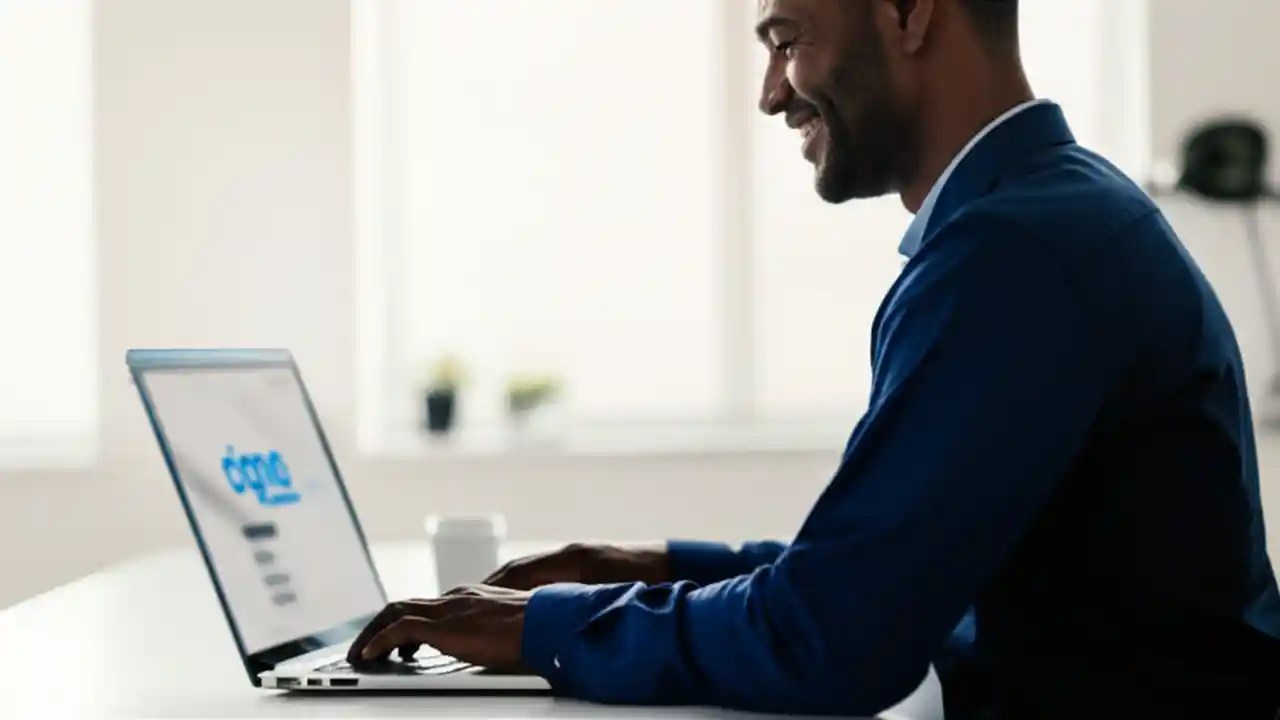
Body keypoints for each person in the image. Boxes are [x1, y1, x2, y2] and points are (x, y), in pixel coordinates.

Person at [349, 1, 1280, 717]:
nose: (771, 91)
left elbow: (835, 640)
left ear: (912, 11)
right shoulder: (1057, 212)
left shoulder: (1015, 255)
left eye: (787, 38)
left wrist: (545, 630)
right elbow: (888, 571)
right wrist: (642, 566)